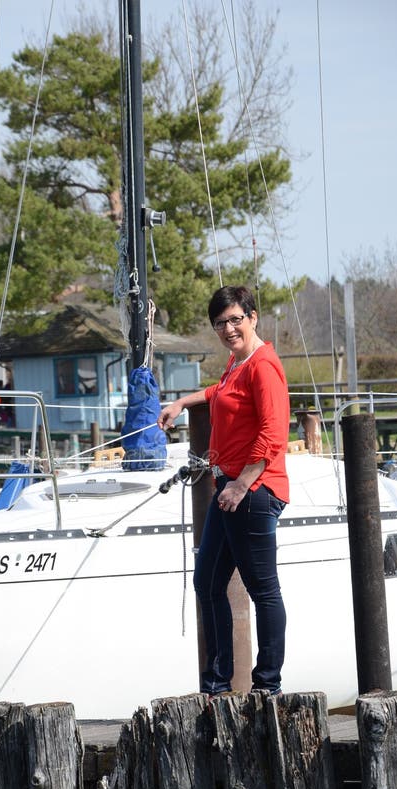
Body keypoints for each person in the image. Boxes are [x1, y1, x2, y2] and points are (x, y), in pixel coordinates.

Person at [158, 284, 290, 697]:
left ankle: (267, 684)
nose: (229, 328)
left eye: (235, 319)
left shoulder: (263, 365)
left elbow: (273, 433)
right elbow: (221, 393)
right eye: (220, 323)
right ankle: (216, 684)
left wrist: (241, 484)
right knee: (208, 584)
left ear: (253, 317)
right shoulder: (237, 364)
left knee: (263, 590)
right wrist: (183, 401)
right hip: (230, 490)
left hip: (252, 490)